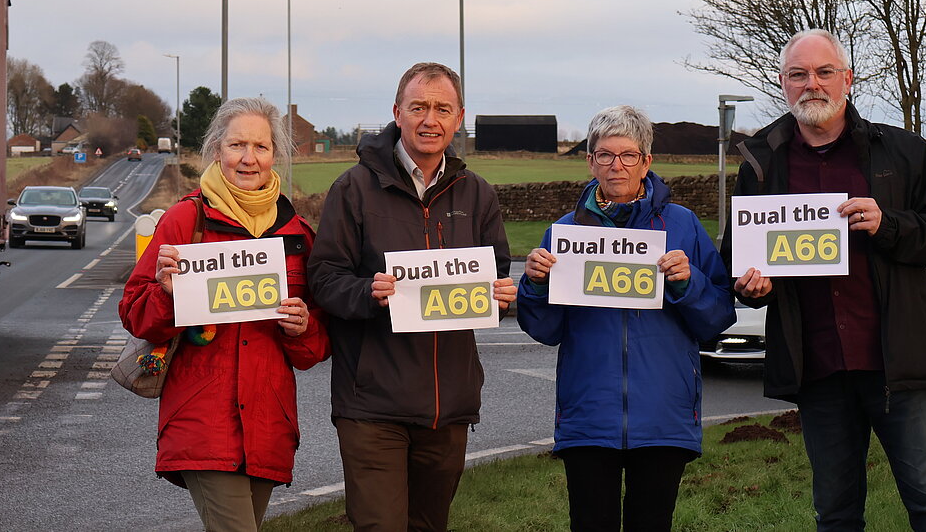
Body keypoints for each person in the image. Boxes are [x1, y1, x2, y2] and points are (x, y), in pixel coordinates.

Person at [724, 28, 926, 530]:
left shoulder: (903, 151)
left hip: (900, 364)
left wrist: (889, 224)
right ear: (783, 84)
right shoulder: (761, 163)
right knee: (836, 514)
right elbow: (737, 260)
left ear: (847, 79)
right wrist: (750, 286)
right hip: (819, 367)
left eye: (825, 72)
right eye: (799, 74)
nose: (813, 84)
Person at [307, 62, 517, 532]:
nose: (430, 119)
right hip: (372, 405)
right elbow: (323, 278)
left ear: (459, 117)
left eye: (442, 109)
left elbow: (495, 274)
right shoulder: (354, 189)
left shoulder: (477, 193)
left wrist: (502, 294)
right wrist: (367, 292)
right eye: (419, 107)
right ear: (397, 113)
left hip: (448, 407)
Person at [516, 105, 735, 532]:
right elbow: (544, 329)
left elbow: (717, 316)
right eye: (605, 155)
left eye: (628, 155)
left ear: (646, 160)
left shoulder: (684, 226)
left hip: (663, 417)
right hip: (588, 417)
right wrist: (536, 284)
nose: (617, 165)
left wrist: (686, 284)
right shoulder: (565, 232)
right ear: (590, 161)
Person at [118, 97, 329, 532]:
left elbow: (314, 350)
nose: (248, 159)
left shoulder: (298, 234)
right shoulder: (184, 220)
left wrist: (303, 327)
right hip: (202, 419)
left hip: (268, 425)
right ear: (217, 150)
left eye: (261, 147)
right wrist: (168, 295)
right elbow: (136, 314)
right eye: (237, 145)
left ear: (275, 155)